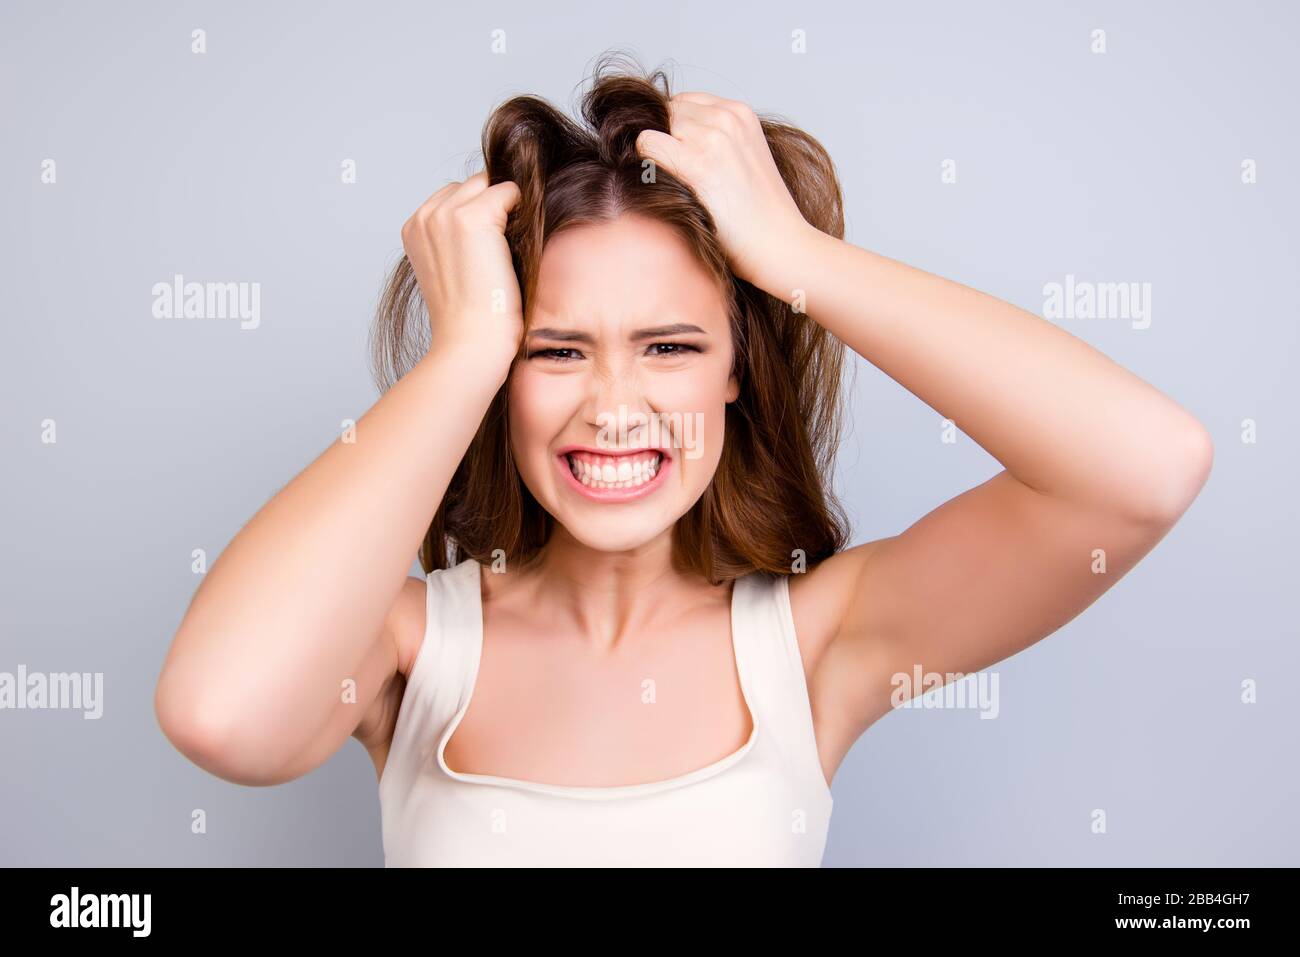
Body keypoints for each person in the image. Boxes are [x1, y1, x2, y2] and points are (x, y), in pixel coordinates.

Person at [154, 58, 1213, 867]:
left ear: (736, 371)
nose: (615, 409)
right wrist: (466, 351)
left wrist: (798, 261)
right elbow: (221, 715)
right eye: (555, 352)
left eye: (669, 347)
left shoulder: (816, 640)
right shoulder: (405, 643)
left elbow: (1147, 466)